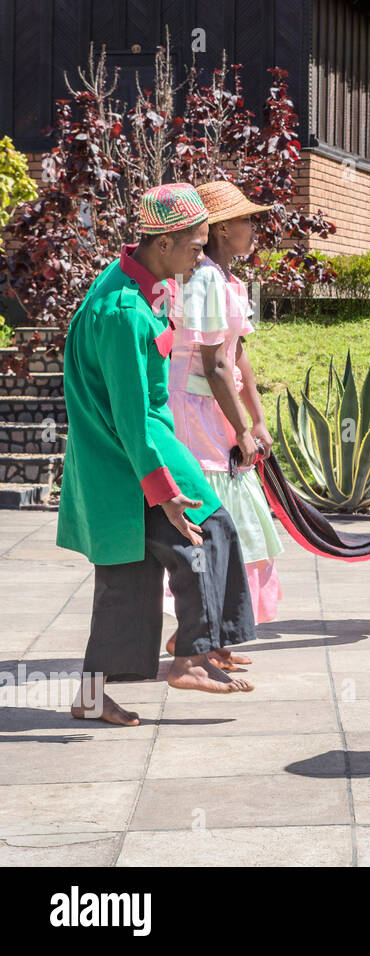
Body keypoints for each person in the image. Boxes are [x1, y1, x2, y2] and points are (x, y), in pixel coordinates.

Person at [58, 183, 257, 727]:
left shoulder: (139, 284)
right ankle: (189, 655)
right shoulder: (122, 309)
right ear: (165, 242)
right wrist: (166, 494)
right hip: (127, 459)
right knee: (182, 547)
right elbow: (129, 414)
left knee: (186, 545)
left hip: (142, 448)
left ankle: (193, 649)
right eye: (196, 246)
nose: (201, 255)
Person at [163, 181, 282, 669]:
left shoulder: (228, 280)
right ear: (222, 228)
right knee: (213, 520)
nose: (254, 229)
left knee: (234, 523)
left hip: (219, 410)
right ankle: (195, 637)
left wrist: (256, 419)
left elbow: (238, 357)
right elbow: (212, 366)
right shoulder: (208, 279)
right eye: (246, 221)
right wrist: (243, 428)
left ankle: (209, 635)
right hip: (198, 412)